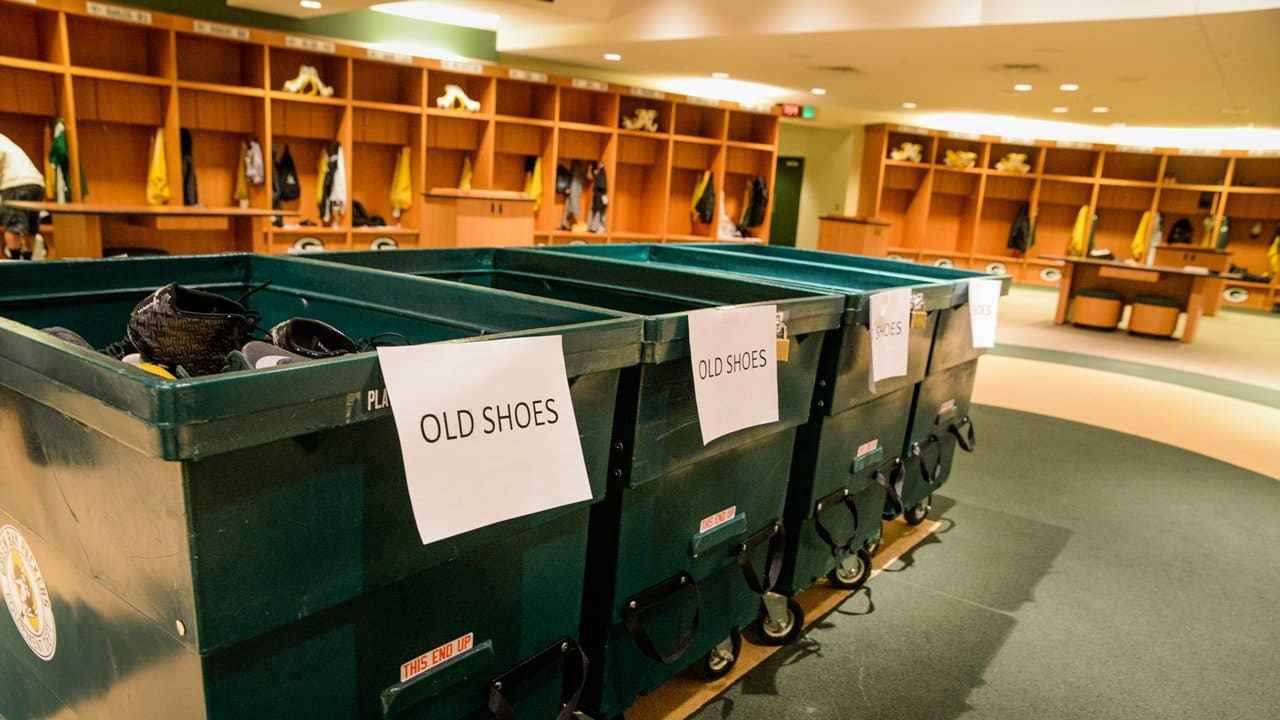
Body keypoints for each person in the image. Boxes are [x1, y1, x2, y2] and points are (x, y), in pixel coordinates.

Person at [1, 132, 46, 260]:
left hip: (16, 183)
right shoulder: (6, 140)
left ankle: (14, 262)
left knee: (12, 224)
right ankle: (27, 260)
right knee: (31, 226)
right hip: (36, 184)